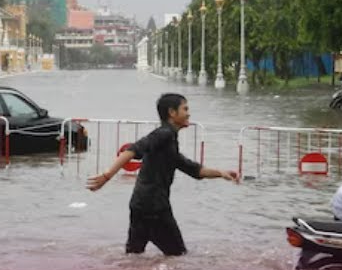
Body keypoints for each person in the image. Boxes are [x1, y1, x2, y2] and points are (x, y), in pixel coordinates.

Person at [86, 93, 239, 256]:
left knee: (133, 256)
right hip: (155, 207)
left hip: (139, 204)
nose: (189, 113)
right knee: (178, 256)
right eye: (185, 109)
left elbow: (194, 169)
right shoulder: (164, 134)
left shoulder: (169, 141)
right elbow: (132, 150)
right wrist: (107, 176)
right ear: (172, 113)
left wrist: (221, 173)